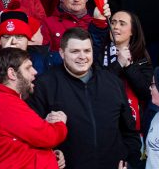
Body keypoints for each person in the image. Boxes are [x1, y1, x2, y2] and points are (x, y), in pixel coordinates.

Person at [28, 28, 141, 169]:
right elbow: (32, 136)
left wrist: (129, 162)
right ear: (62, 53)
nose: (82, 56)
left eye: (87, 51)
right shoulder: (44, 85)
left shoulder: (112, 82)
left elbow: (130, 131)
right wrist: (51, 155)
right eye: (75, 51)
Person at [0, 47, 67, 169]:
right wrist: (59, 124)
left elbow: (20, 144)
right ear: (12, 73)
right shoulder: (4, 102)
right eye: (28, 67)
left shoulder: (1, 99)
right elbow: (49, 136)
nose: (35, 72)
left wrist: (50, 155)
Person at [91, 10, 153, 130]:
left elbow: (146, 92)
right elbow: (98, 85)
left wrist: (129, 66)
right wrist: (118, 63)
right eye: (113, 22)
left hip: (133, 124)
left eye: (122, 23)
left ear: (132, 31)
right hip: (103, 119)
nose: (115, 27)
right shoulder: (99, 53)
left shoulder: (142, 57)